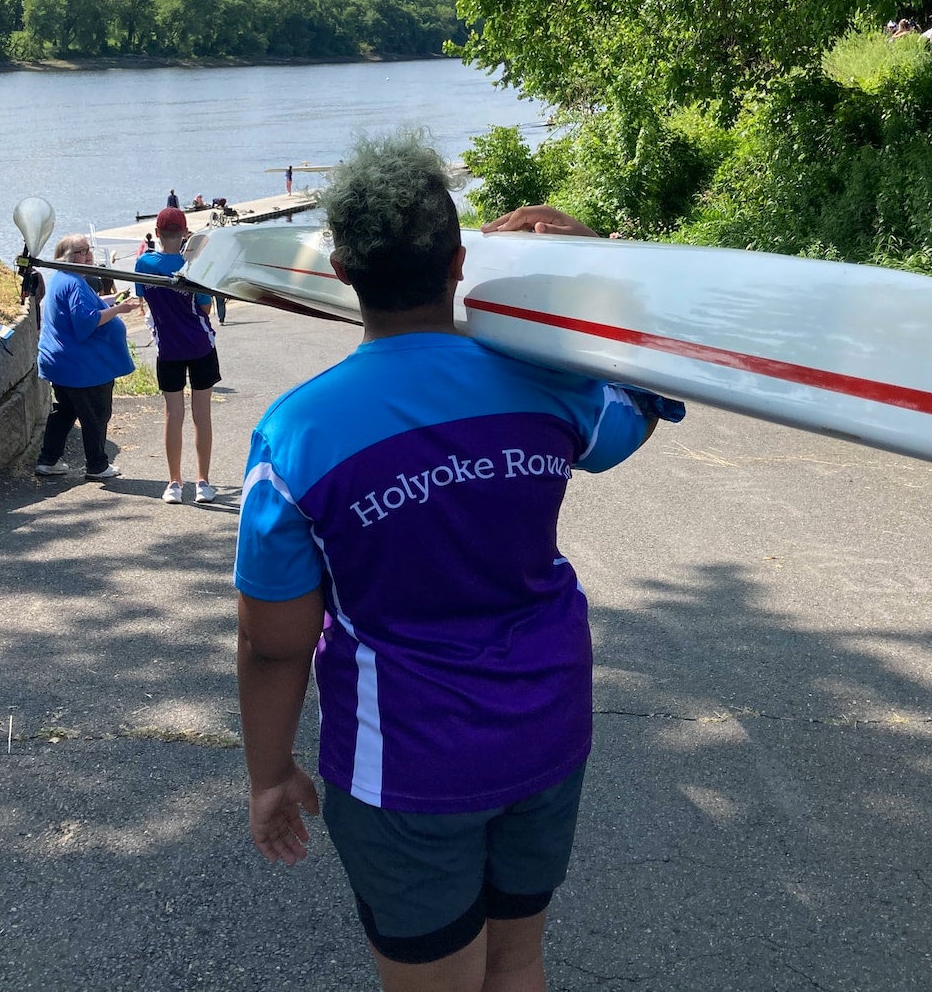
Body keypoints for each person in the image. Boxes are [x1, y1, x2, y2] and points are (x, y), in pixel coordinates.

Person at [234, 133, 683, 992]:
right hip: (547, 730)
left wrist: (269, 773)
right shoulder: (547, 386)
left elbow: (274, 643)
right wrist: (600, 259)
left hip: (402, 763)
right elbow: (640, 394)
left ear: (340, 267)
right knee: (517, 962)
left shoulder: (296, 434)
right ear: (458, 262)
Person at [35, 234, 139, 480]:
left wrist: (111, 300)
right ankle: (97, 465)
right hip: (82, 367)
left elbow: (84, 308)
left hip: (61, 363)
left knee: (65, 412)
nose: (88, 255)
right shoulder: (74, 283)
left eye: (88, 249)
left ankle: (48, 460)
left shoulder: (63, 278)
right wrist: (118, 310)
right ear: (68, 257)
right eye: (81, 252)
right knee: (96, 414)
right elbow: (87, 321)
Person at [134, 206, 219, 505]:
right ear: (184, 233)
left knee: (173, 415)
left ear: (157, 233)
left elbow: (144, 298)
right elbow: (206, 306)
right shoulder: (194, 264)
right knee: (202, 415)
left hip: (168, 348)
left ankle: (173, 483)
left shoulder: (143, 263)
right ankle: (203, 483)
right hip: (200, 345)